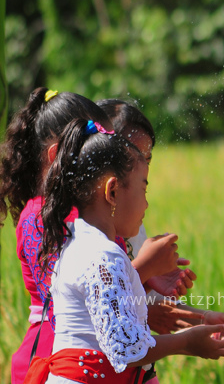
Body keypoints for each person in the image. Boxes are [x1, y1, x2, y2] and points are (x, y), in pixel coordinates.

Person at [1, 89, 187, 384]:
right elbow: (79, 298)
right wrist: (146, 267)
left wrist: (147, 284)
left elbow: (110, 290)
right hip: (63, 364)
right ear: (57, 155)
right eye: (96, 148)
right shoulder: (40, 218)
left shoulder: (92, 219)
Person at [27, 118, 224, 383]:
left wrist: (196, 322)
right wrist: (187, 342)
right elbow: (126, 347)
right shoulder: (104, 255)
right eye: (144, 187)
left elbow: (119, 316)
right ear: (112, 191)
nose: (147, 204)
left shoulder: (77, 239)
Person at [98, 98, 224, 339]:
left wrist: (202, 322)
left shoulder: (130, 224)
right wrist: (145, 269)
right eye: (130, 156)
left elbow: (140, 301)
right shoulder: (77, 228)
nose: (140, 166)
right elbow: (95, 304)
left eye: (147, 158)